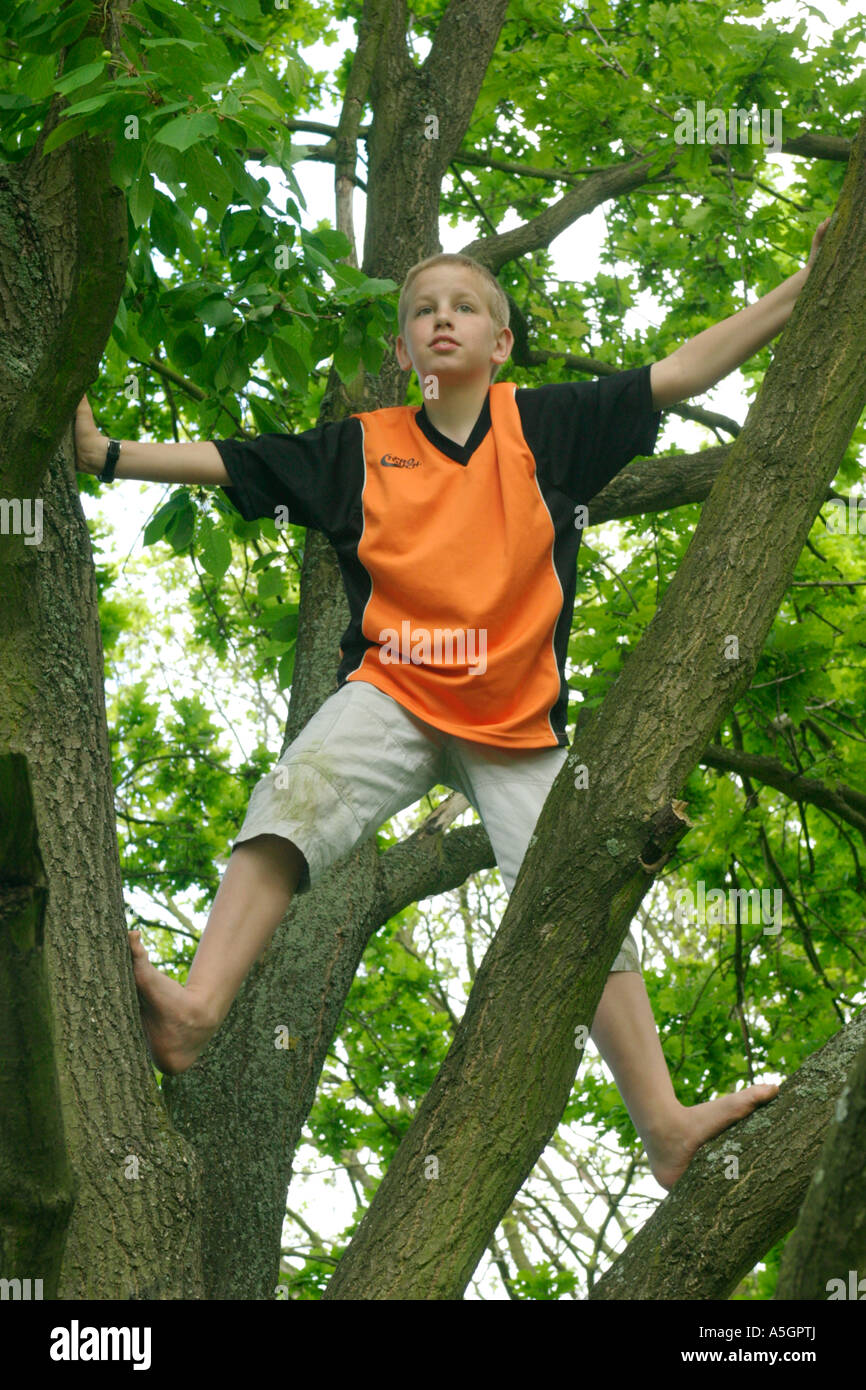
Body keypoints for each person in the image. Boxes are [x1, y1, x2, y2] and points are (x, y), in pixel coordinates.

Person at [74, 218, 829, 1188]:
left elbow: (677, 374)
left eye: (464, 307)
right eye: (422, 311)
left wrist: (804, 285)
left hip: (515, 724)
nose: (442, 319)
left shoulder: (547, 426)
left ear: (499, 342)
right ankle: (195, 1011)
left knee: (582, 883)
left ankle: (664, 1126)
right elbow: (233, 458)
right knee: (293, 797)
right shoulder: (359, 448)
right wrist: (105, 453)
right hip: (392, 691)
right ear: (401, 351)